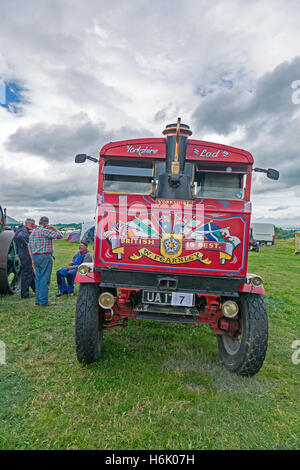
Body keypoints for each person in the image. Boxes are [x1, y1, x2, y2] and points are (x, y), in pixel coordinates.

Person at [28, 216, 63, 306]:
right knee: (44, 279)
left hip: (36, 256)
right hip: (45, 256)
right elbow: (60, 236)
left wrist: (32, 259)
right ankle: (43, 301)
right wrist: (53, 228)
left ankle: (38, 300)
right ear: (46, 224)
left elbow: (29, 246)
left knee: (38, 279)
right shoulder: (45, 230)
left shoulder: (33, 232)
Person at [14, 218, 36, 299]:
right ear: (28, 223)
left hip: (23, 253)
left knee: (30, 272)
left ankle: (36, 290)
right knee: (27, 273)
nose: (33, 226)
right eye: (32, 225)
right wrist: (27, 245)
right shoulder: (23, 231)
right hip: (26, 254)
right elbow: (20, 237)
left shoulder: (21, 229)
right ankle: (25, 294)